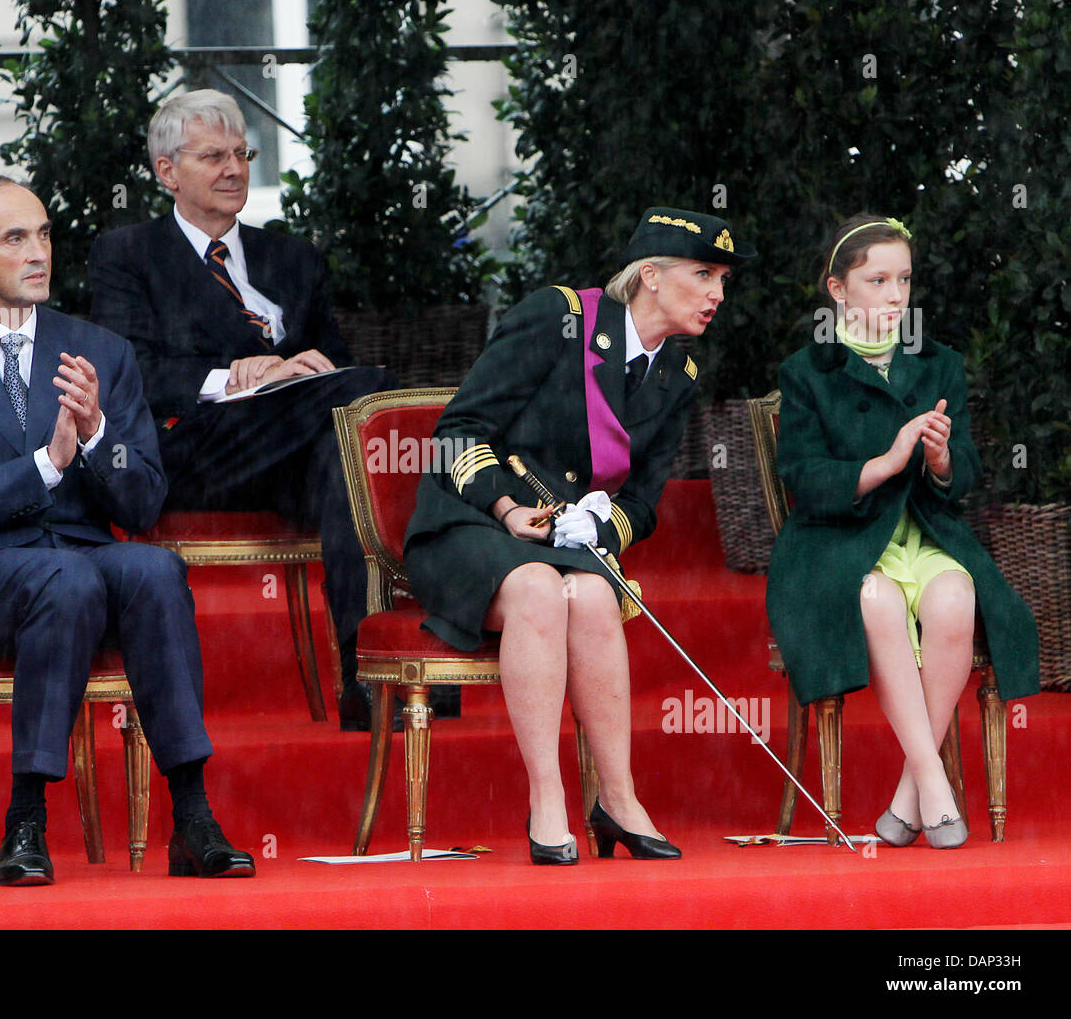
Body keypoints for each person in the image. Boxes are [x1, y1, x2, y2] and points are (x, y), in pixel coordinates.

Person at [0, 174, 255, 884]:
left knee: (155, 568)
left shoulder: (99, 352)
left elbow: (142, 505)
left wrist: (99, 432)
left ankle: (194, 815)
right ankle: (26, 818)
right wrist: (47, 464)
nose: (38, 252)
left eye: (44, 233)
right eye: (15, 237)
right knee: (69, 577)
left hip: (78, 563)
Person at [404, 207, 754, 863]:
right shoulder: (559, 317)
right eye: (703, 274)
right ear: (650, 275)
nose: (717, 294)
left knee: (594, 597)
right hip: (471, 522)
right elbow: (456, 432)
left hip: (562, 538)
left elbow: (643, 501)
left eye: (723, 280)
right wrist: (507, 506)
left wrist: (600, 521)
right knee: (539, 589)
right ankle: (547, 798)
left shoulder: (678, 376)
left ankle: (618, 798)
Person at [87, 89, 398, 732]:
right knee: (374, 405)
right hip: (197, 448)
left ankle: (366, 676)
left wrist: (309, 372)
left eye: (241, 153)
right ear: (166, 171)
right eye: (212, 157)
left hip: (296, 451)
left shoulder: (294, 258)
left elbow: (334, 365)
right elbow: (133, 374)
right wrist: (235, 375)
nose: (234, 169)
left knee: (350, 451)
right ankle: (389, 660)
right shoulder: (127, 257)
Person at [766, 214, 1040, 849]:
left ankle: (908, 798)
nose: (895, 295)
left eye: (905, 280)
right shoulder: (807, 371)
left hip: (924, 532)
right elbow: (804, 478)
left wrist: (942, 462)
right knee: (876, 601)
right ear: (838, 289)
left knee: (956, 597)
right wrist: (886, 463)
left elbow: (966, 471)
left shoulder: (939, 364)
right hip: (837, 540)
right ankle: (933, 785)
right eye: (877, 279)